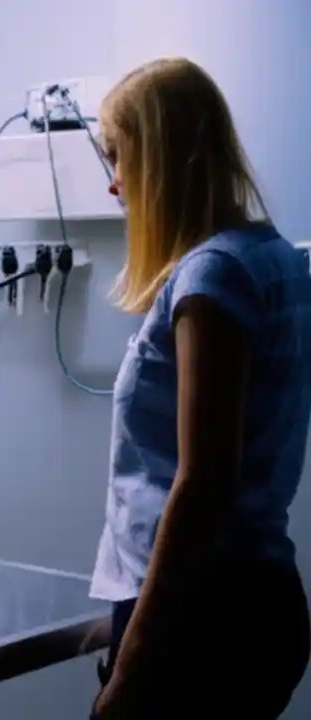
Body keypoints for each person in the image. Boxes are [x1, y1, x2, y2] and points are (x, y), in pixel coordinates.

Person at [88, 56, 311, 718]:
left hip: (199, 621)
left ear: (162, 157)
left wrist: (131, 667)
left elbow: (203, 484)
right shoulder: (270, 257)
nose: (115, 184)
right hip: (254, 599)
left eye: (118, 158)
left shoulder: (210, 276)